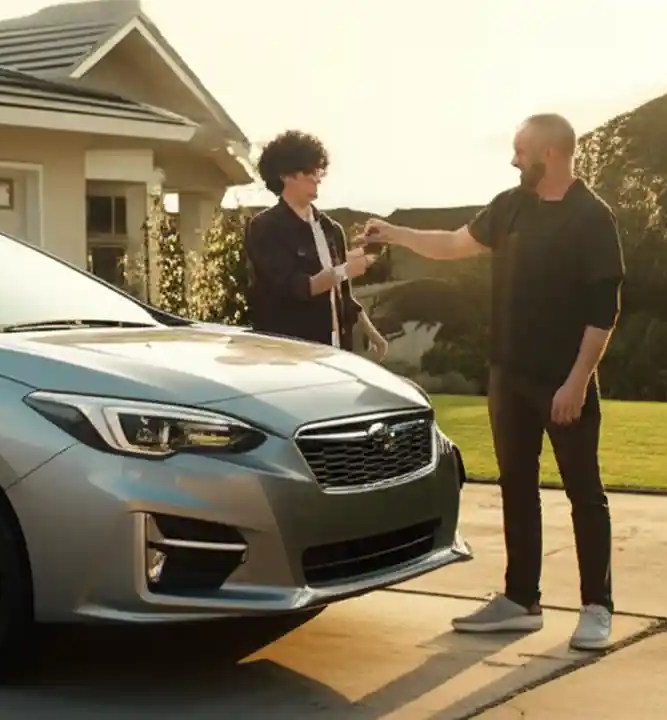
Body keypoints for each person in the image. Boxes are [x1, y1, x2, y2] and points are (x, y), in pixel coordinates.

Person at [359, 113, 625, 651]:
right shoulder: (512, 205)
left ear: (549, 153)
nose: (512, 159)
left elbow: (604, 312)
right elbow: (453, 243)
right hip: (509, 374)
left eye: (519, 150)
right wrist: (395, 233)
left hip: (563, 379)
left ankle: (597, 606)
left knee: (584, 495)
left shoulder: (592, 218)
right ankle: (520, 600)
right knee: (516, 488)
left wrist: (577, 382)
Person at [243, 130, 388, 358]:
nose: (316, 177)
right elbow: (296, 288)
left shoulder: (332, 230)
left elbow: (344, 297)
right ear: (285, 175)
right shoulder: (265, 227)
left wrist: (375, 337)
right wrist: (345, 269)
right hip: (287, 355)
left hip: (337, 353)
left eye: (318, 170)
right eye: (308, 171)